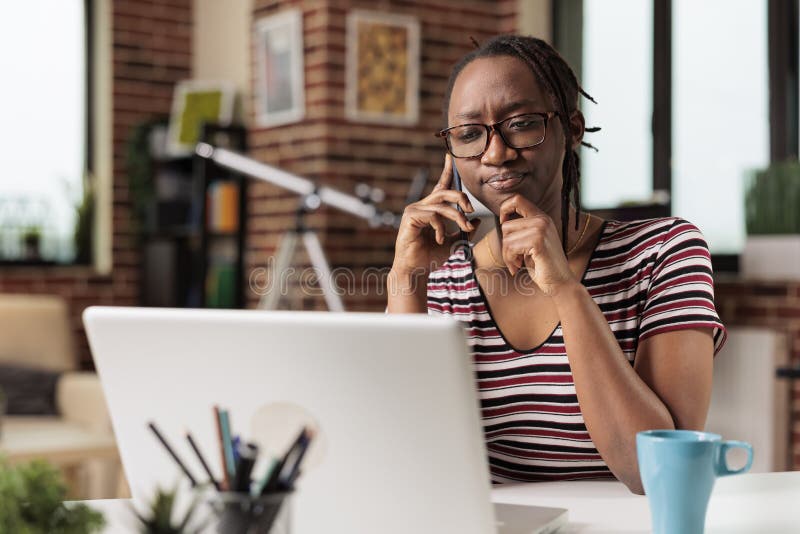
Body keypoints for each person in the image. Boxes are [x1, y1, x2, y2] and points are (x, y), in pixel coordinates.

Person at [386, 35, 727, 494]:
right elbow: (403, 462)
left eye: (522, 124)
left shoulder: (664, 251)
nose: (495, 152)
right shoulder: (444, 284)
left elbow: (658, 474)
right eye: (469, 134)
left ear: (573, 129)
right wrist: (406, 282)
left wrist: (565, 288)